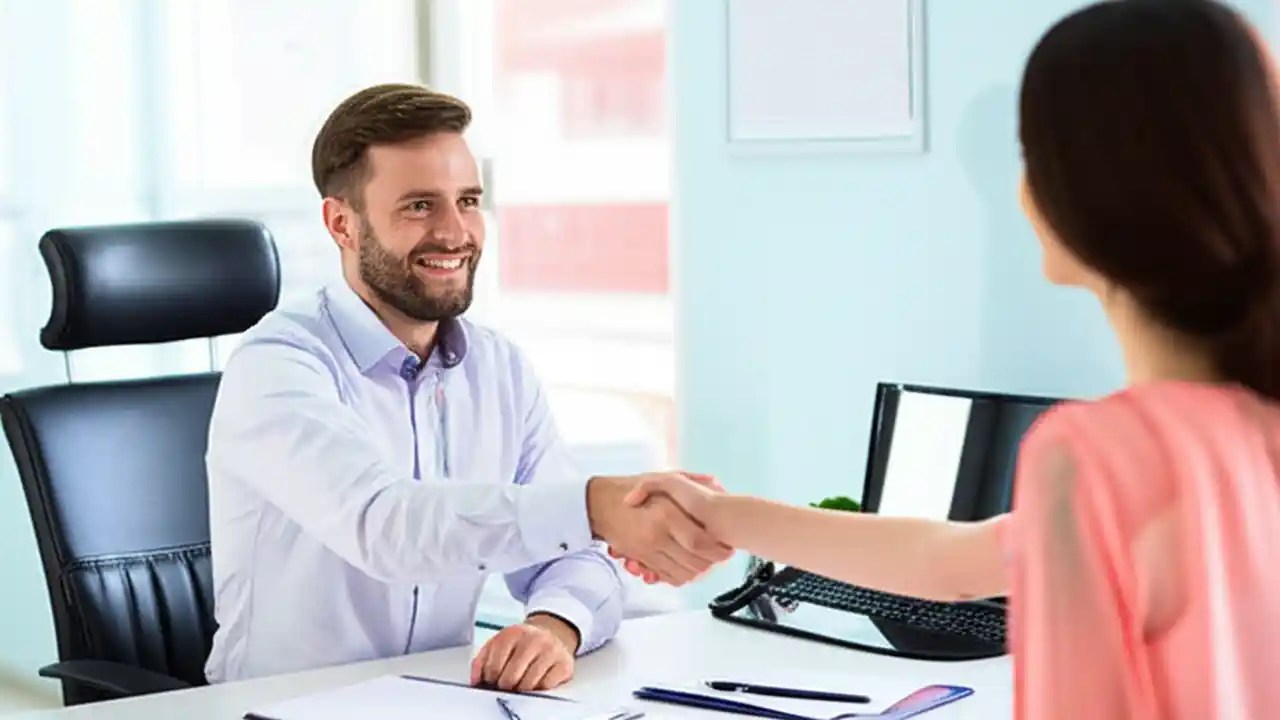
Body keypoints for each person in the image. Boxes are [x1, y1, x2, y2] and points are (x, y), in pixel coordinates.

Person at [619, 1, 1280, 717]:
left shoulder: (1097, 455)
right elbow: (947, 562)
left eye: (1027, 154)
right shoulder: (1247, 428)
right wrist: (723, 514)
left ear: (1077, 193)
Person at [204, 83, 731, 690]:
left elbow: (576, 556)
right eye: (420, 206)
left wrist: (554, 625)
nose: (457, 233)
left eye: (469, 200)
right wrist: (595, 507)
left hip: (440, 700)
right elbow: (387, 527)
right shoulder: (278, 367)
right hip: (287, 706)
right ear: (342, 224)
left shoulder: (498, 369)